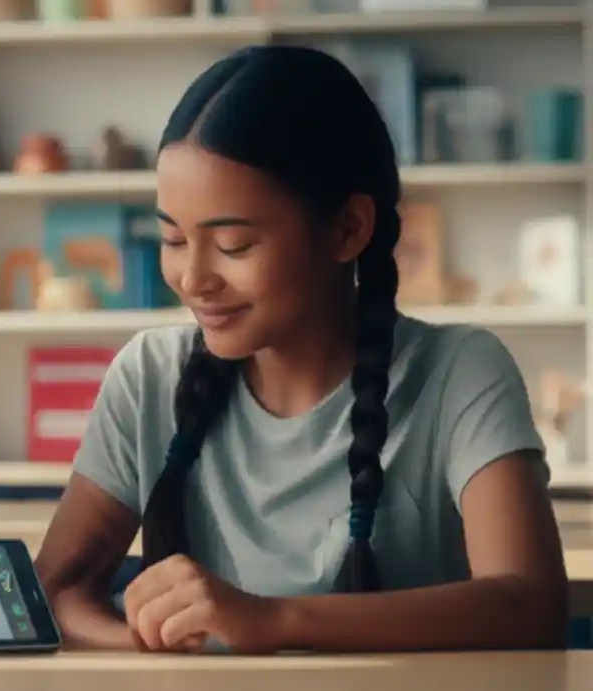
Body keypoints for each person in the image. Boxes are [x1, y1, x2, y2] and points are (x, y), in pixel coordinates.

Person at [34, 46, 569, 654]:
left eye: (233, 245)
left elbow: (531, 604)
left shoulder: (460, 372)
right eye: (173, 239)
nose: (192, 278)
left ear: (347, 230)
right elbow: (54, 590)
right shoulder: (149, 376)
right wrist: (152, 648)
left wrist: (274, 621)